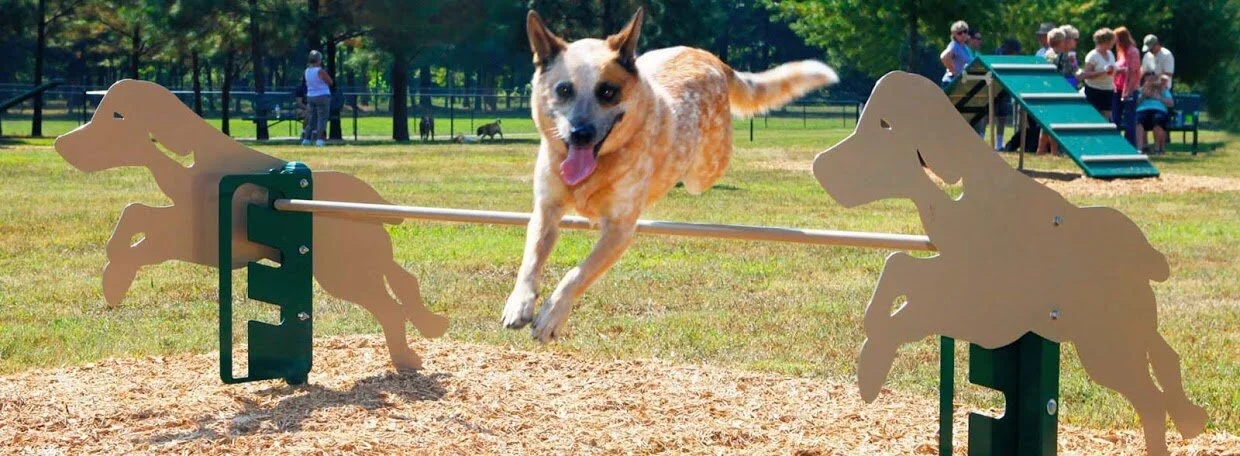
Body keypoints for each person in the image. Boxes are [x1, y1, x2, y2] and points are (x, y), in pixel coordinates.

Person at [1112, 27, 1142, 145]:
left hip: (1129, 89)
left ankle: (1130, 145)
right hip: (1117, 88)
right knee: (1115, 118)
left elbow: (1134, 73)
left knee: (1129, 120)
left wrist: (1127, 91)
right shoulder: (1121, 52)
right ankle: (1115, 144)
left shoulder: (1132, 52)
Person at [1078, 28, 1116, 120]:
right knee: (1093, 119)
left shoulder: (1110, 53)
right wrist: (1103, 71)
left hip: (1107, 90)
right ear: (1106, 41)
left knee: (1105, 119)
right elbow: (1086, 75)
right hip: (1094, 91)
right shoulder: (1092, 56)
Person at [1134, 72, 1174, 154]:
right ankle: (1140, 148)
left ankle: (1157, 148)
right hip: (1142, 109)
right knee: (1139, 120)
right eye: (1148, 77)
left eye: (1153, 78)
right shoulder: (1140, 90)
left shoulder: (1163, 89)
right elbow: (1134, 104)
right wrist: (1144, 96)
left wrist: (1158, 97)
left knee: (1158, 120)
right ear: (1144, 79)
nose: (1151, 79)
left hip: (1159, 109)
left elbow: (1171, 103)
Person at [993, 38, 1020, 151]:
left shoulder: (1010, 57)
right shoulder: (998, 55)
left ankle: (999, 142)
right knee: (988, 114)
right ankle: (982, 136)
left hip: (1004, 88)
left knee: (1002, 116)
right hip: (994, 86)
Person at [302, 50, 333, 147]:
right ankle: (319, 140)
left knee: (311, 119)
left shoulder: (307, 71)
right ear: (319, 60)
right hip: (322, 95)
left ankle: (306, 139)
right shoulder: (319, 71)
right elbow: (330, 82)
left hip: (310, 96)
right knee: (322, 119)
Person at [940, 20, 972, 87]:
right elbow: (943, 57)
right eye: (959, 33)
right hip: (950, 81)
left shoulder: (964, 47)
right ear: (954, 35)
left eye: (965, 31)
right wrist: (954, 72)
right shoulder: (954, 45)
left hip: (960, 82)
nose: (963, 34)